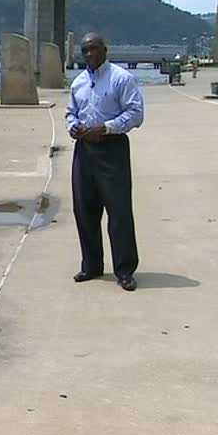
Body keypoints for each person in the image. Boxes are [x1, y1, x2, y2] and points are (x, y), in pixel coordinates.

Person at [66, 33, 145, 292]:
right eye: (85, 50)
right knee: (84, 209)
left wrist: (106, 128)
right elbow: (71, 112)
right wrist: (73, 127)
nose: (90, 54)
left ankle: (125, 270)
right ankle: (91, 265)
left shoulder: (121, 78)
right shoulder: (78, 82)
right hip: (84, 150)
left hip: (112, 148)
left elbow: (136, 114)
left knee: (118, 210)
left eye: (94, 49)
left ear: (105, 50)